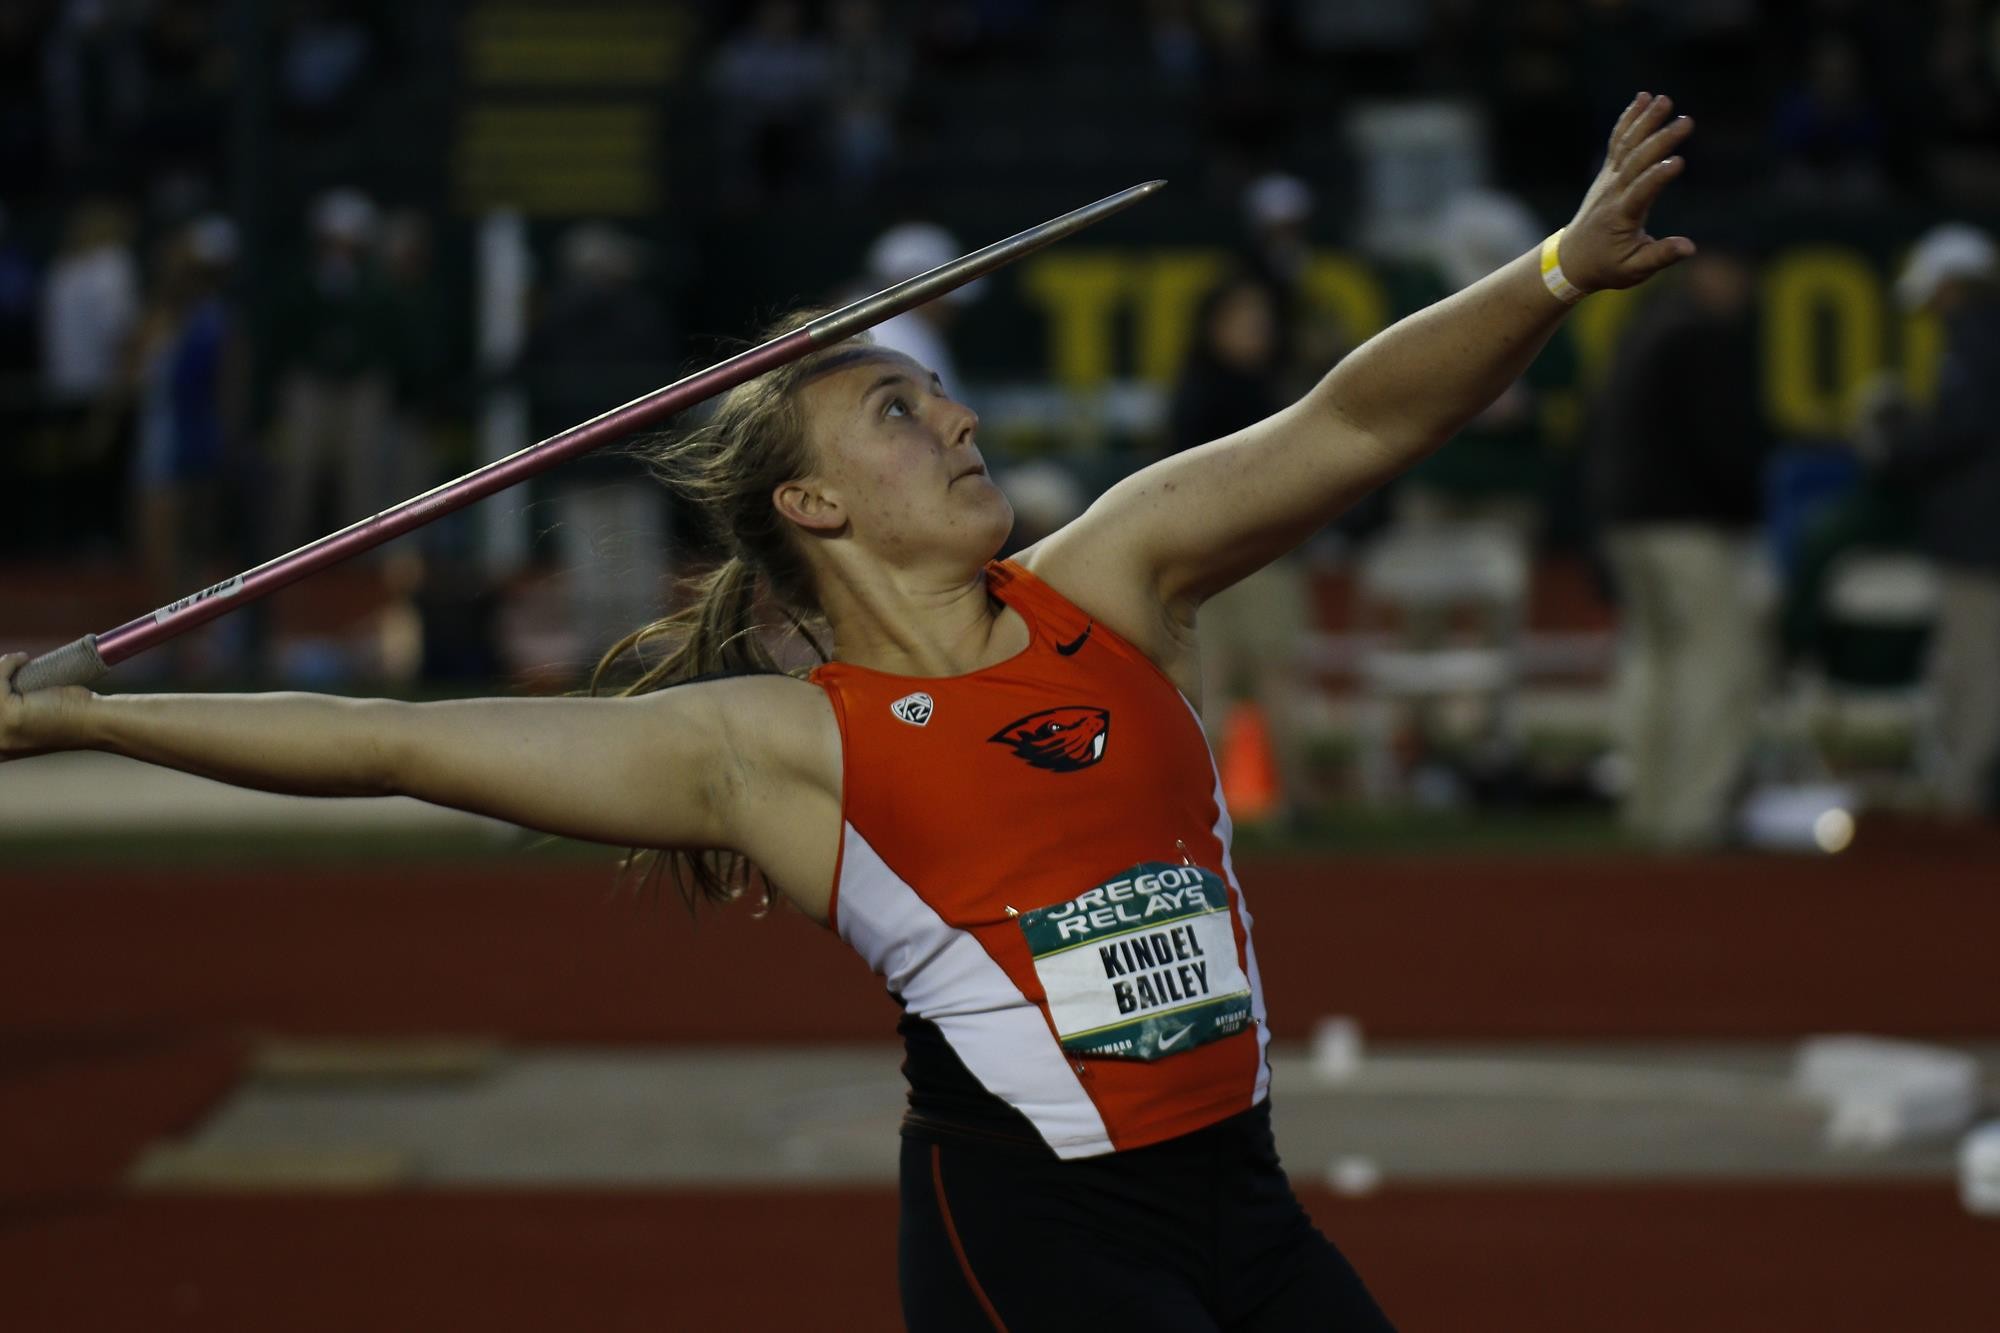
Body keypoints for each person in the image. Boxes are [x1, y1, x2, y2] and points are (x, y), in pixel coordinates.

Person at [5, 94, 1699, 1330]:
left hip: (1244, 1206)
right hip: (1038, 1238)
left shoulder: (1104, 585)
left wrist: (1551, 272)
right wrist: (88, 723)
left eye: (938, 392)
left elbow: (1351, 424)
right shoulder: (775, 748)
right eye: (899, 409)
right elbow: (385, 742)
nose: (956, 421)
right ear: (814, 509)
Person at [1588, 240, 1770, 850]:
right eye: (1738, 272)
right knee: (1719, 665)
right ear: (1710, 271)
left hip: (1629, 522)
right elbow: (1723, 447)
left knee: (1652, 662)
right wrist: (1747, 509)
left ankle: (1646, 807)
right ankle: (1695, 814)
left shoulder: (1644, 329)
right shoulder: (1703, 337)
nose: (1745, 289)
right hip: (1687, 525)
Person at [1879, 223, 2000, 817]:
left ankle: (1963, 793)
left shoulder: (1977, 336)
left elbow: (1964, 427)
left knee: (1974, 665)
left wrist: (1898, 447)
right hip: (1980, 531)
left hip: (1980, 536)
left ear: (1954, 284)